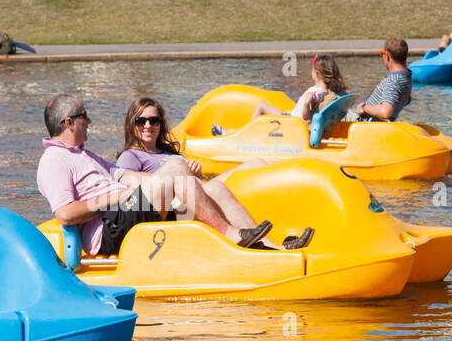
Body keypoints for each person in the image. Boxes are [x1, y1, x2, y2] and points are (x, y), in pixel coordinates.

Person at [37, 94, 274, 258]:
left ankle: (268, 247)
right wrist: (115, 199)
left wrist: (179, 183)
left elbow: (127, 177)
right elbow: (65, 214)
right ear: (69, 123)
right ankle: (232, 236)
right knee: (174, 167)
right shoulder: (53, 160)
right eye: (84, 116)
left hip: (126, 211)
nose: (88, 121)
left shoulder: (85, 154)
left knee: (213, 189)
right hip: (108, 229)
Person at [115, 97, 312, 250]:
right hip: (176, 206)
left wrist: (191, 171)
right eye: (141, 121)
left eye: (153, 120)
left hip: (197, 192)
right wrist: (179, 177)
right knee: (215, 187)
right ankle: (258, 243)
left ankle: (270, 245)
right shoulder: (131, 156)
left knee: (257, 163)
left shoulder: (167, 152)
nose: (148, 126)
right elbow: (131, 191)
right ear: (132, 125)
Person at [250, 54, 348, 122]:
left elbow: (306, 117)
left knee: (261, 106)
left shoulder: (314, 93)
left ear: (316, 73)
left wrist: (305, 104)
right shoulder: (327, 91)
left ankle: (246, 133)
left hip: (292, 121)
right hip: (293, 118)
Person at [355, 39, 413, 121]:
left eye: (382, 54)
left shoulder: (393, 81)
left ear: (387, 55)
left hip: (364, 124)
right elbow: (406, 100)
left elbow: (385, 112)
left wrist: (363, 108)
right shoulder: (407, 77)